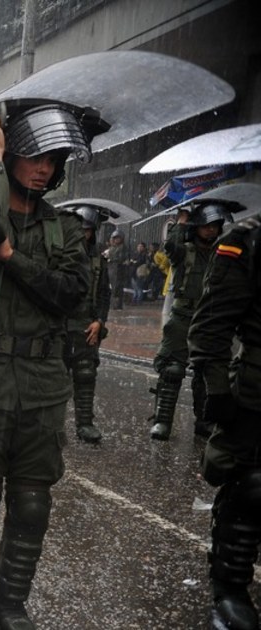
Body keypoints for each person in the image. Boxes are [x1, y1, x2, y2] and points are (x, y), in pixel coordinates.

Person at [0, 105, 92, 630]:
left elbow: (70, 295)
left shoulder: (67, 228)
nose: (43, 168)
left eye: (53, 158)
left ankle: (11, 602)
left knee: (32, 503)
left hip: (42, 381)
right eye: (31, 154)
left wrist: (10, 256)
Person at [188, 214, 261, 630]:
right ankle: (230, 586)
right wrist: (216, 388)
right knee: (251, 486)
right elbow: (214, 321)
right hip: (256, 390)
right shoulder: (248, 241)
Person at [146, 202, 227, 441]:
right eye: (206, 225)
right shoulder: (185, 250)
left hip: (208, 319)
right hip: (182, 317)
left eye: (215, 226)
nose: (211, 230)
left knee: (206, 373)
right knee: (172, 369)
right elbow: (170, 246)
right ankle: (162, 421)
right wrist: (181, 222)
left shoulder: (221, 252)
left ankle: (204, 421)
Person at [58, 204, 113, 444]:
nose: (83, 234)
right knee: (56, 377)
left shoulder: (99, 262)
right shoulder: (58, 256)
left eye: (87, 230)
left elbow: (104, 295)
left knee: (86, 373)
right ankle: (52, 427)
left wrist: (99, 321)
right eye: (79, 229)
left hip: (86, 326)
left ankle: (85, 424)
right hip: (60, 325)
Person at [104, 230, 127, 309]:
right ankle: (114, 304)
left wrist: (112, 258)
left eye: (118, 238)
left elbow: (121, 258)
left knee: (117, 288)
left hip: (118, 269)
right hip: (111, 269)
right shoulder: (112, 247)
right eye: (115, 238)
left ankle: (117, 305)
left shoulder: (122, 247)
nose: (116, 240)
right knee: (112, 287)